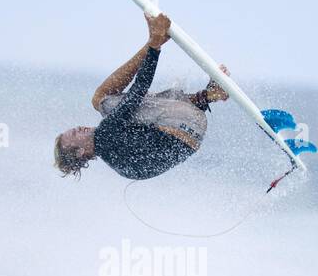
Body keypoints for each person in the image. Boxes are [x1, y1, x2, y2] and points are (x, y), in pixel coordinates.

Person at [53, 14, 229, 179]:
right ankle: (155, 39)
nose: (79, 127)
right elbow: (138, 91)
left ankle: (209, 95)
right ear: (80, 152)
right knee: (102, 102)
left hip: (193, 137)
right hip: (181, 124)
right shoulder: (104, 136)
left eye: (75, 128)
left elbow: (161, 147)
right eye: (75, 133)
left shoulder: (116, 162)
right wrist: (154, 48)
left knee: (132, 115)